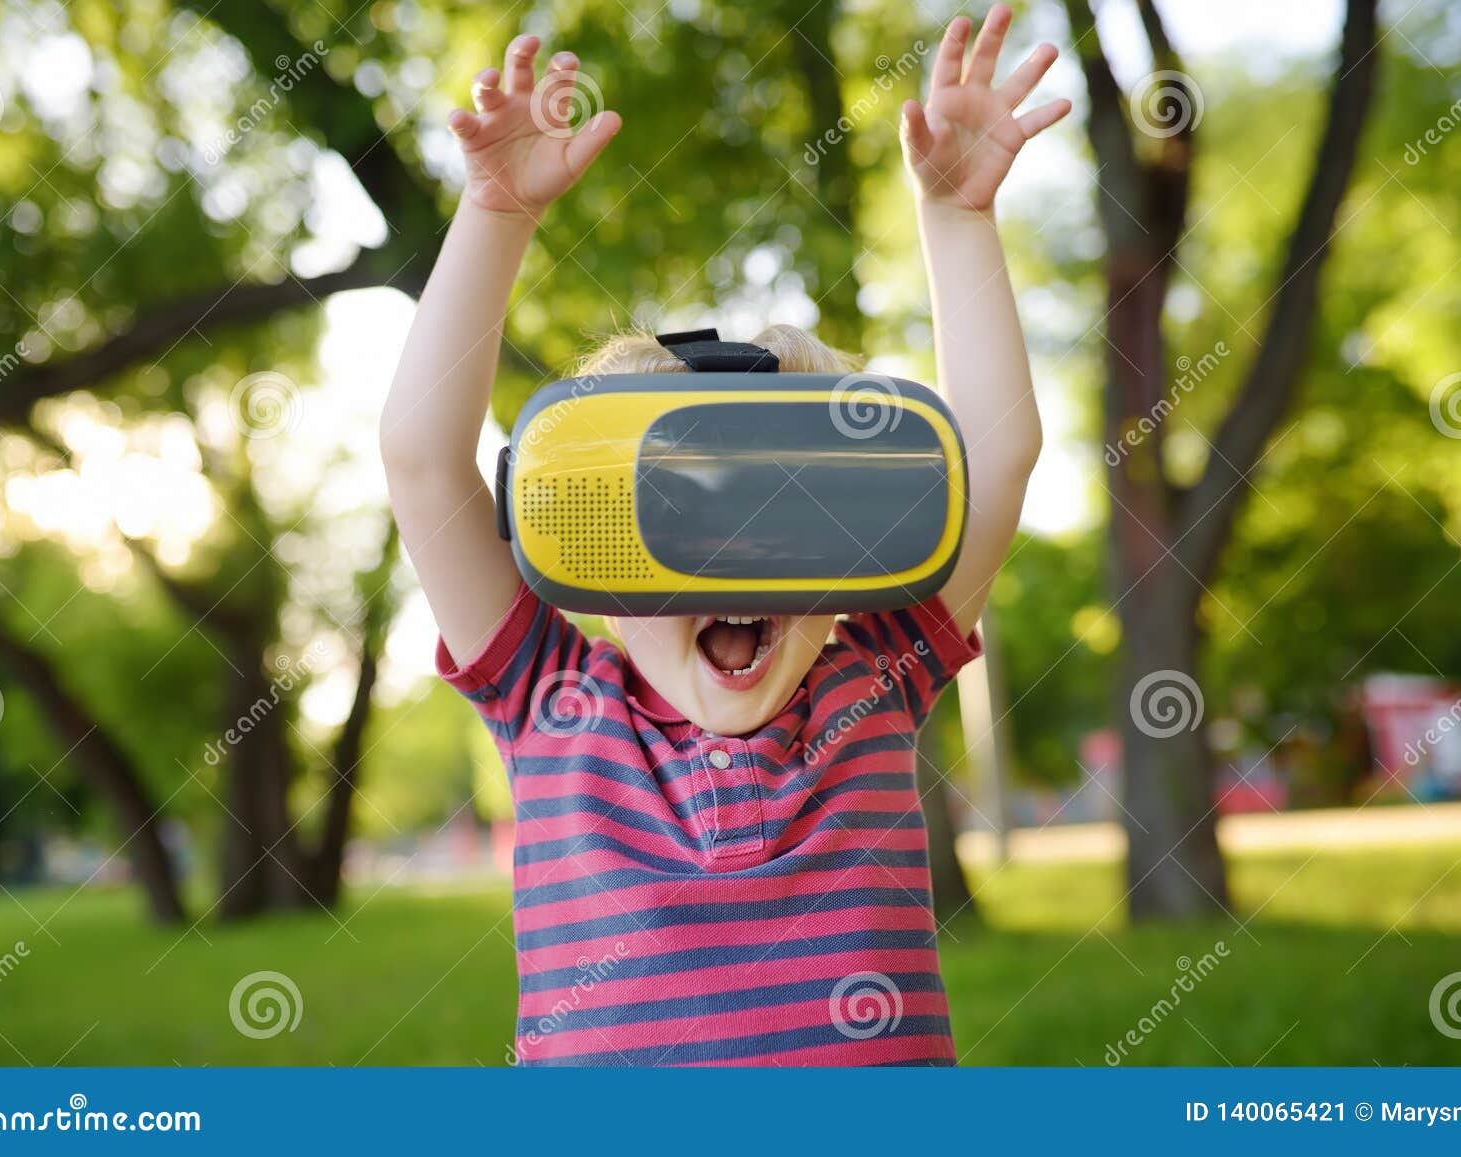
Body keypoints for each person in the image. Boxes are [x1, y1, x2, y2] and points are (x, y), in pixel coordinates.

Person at [381, 5, 1068, 1065]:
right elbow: (424, 456)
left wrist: (958, 219)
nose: (736, 557)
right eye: (675, 520)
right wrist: (495, 211)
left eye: (788, 515)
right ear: (594, 567)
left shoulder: (873, 684)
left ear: (857, 554)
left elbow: (994, 455)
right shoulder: (552, 699)